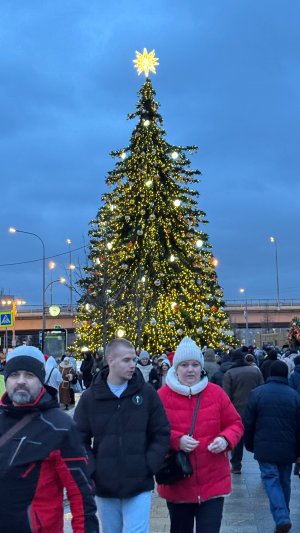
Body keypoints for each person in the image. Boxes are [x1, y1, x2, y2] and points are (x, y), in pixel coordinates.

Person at [74, 337, 170, 533]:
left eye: (133, 360)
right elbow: (77, 439)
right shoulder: (90, 398)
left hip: (139, 482)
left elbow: (161, 432)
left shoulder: (147, 394)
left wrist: (149, 464)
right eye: (127, 360)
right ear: (111, 360)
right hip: (104, 484)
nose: (132, 365)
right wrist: (93, 469)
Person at [0, 345, 99, 533]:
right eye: (14, 375)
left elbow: (80, 496)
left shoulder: (60, 426)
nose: (21, 381)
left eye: (29, 375)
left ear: (41, 380)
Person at [157, 337, 243, 533]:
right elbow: (151, 431)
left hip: (213, 484)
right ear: (176, 368)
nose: (190, 369)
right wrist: (176, 440)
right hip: (178, 483)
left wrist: (225, 439)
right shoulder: (161, 396)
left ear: (201, 367)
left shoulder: (216, 393)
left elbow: (235, 424)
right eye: (185, 365)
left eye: (195, 364)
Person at [244, 361, 300, 533]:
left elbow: (249, 422)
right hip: (288, 447)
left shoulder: (257, 393)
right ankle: (285, 515)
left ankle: (282, 516)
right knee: (284, 481)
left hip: (264, 445)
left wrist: (249, 443)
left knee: (270, 479)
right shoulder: (294, 396)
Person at [222, 348, 264, 474]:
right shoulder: (255, 371)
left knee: (237, 440)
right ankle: (263, 464)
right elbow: (262, 388)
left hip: (237, 412)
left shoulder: (229, 374)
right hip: (255, 410)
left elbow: (226, 396)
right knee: (258, 438)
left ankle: (236, 465)